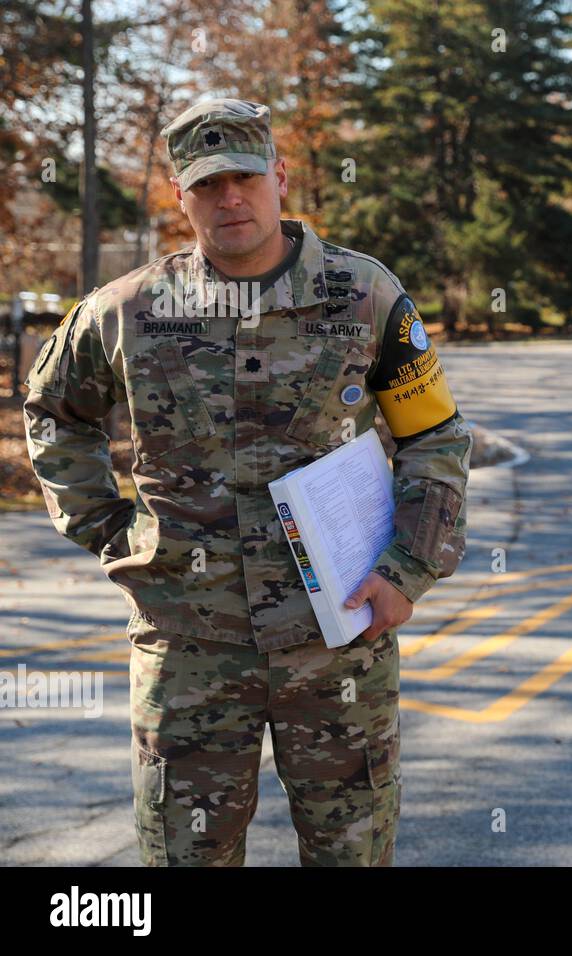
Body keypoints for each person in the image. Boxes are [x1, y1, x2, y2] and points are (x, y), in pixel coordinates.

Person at [22, 97, 471, 866]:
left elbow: (433, 436)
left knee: (351, 854)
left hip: (337, 643)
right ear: (179, 195)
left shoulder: (364, 297)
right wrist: (106, 527)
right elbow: (53, 409)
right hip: (188, 647)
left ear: (280, 176)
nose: (229, 198)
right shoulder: (128, 310)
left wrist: (409, 571)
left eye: (244, 176)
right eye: (206, 184)